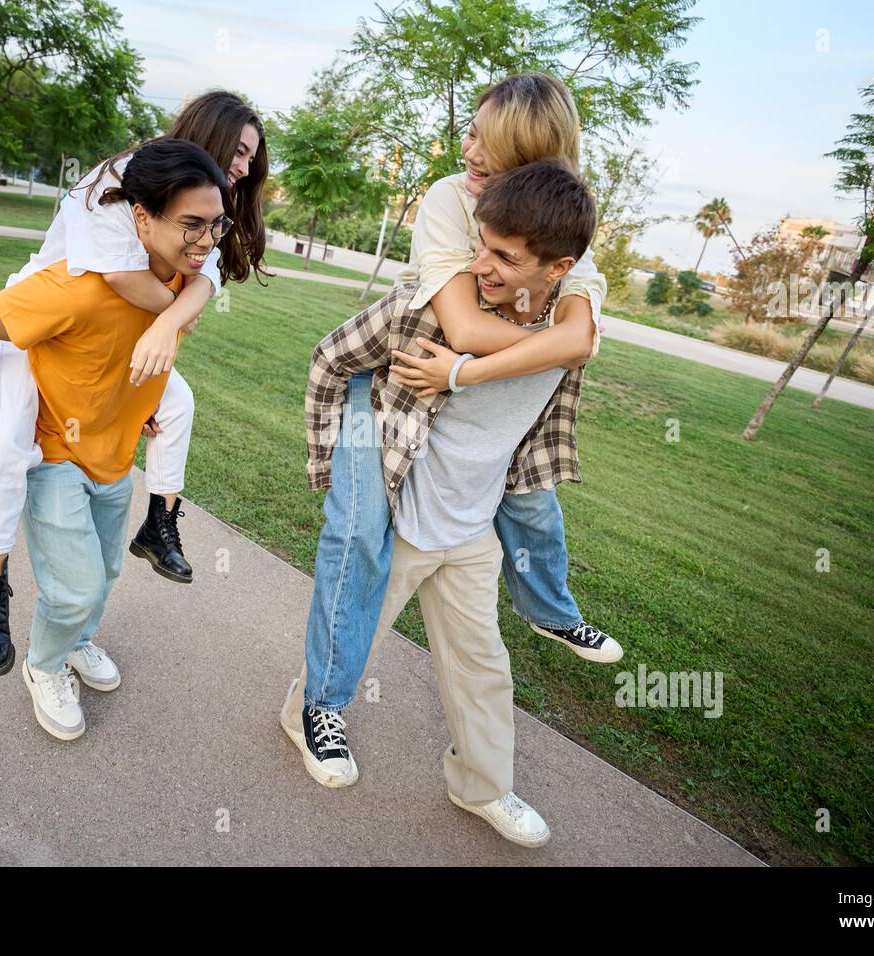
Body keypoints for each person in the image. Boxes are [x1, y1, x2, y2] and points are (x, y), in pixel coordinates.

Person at [286, 72, 622, 787]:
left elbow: (577, 341)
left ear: (535, 157)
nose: (465, 147)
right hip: (375, 386)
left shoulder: (565, 227)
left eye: (486, 141)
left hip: (447, 409)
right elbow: (467, 326)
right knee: (358, 536)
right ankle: (318, 708)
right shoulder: (449, 197)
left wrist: (482, 367)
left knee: (529, 500)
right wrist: (548, 341)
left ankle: (544, 627)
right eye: (469, 128)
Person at [0, 91, 268, 681]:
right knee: (5, 442)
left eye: (253, 158)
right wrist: (178, 310)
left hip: (113, 336)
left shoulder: (202, 209)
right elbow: (125, 280)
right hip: (38, 331)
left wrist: (170, 324)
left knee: (177, 402)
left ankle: (159, 521)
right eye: (242, 150)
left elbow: (200, 284)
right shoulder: (120, 185)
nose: (246, 166)